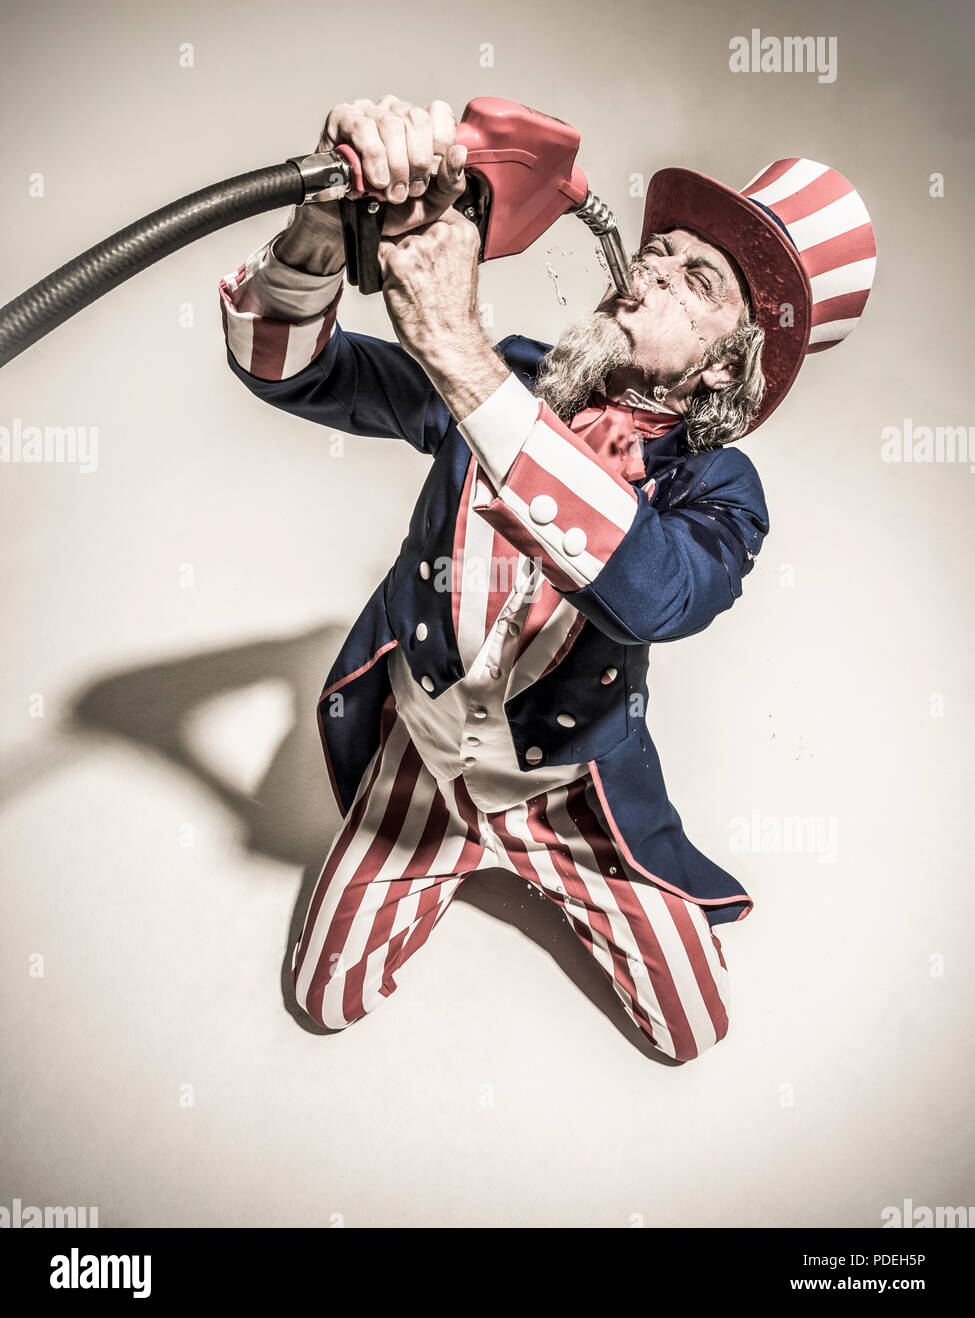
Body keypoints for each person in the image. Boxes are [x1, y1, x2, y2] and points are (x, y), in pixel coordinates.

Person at [218, 95, 876, 1060]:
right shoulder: (508, 376)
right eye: (657, 252)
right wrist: (321, 228)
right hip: (420, 757)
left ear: (723, 368)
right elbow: (284, 368)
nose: (648, 270)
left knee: (693, 1029)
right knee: (324, 998)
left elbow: (656, 592)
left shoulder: (718, 485)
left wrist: (455, 350)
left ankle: (541, 863)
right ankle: (441, 845)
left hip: (569, 793)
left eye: (695, 280)